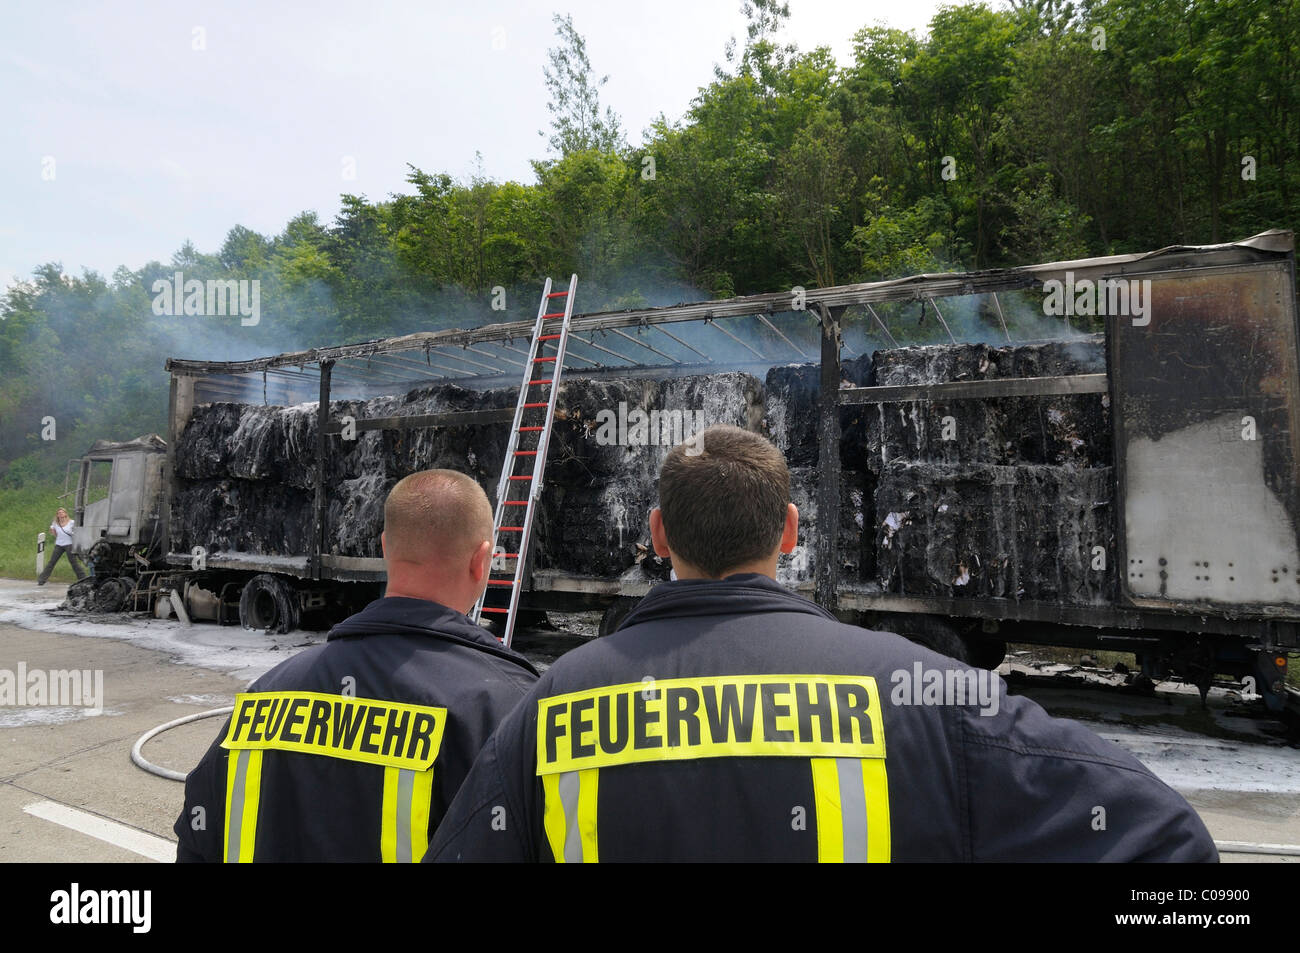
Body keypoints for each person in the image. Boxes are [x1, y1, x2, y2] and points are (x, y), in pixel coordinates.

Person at [425, 425, 1217, 863]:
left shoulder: (552, 707)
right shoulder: (931, 695)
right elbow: (1169, 845)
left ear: (658, 536)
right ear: (794, 532)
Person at [174, 469, 539, 862]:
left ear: (385, 547)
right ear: (481, 560)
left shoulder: (267, 694)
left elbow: (199, 838)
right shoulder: (509, 707)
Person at [37, 508, 86, 585]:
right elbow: (54, 533)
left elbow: (78, 530)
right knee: (52, 562)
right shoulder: (55, 523)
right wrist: (52, 531)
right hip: (59, 544)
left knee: (73, 562)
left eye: (62, 512)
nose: (61, 514)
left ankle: (83, 579)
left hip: (69, 544)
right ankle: (41, 580)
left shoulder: (71, 522)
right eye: (59, 513)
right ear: (57, 515)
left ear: (65, 514)